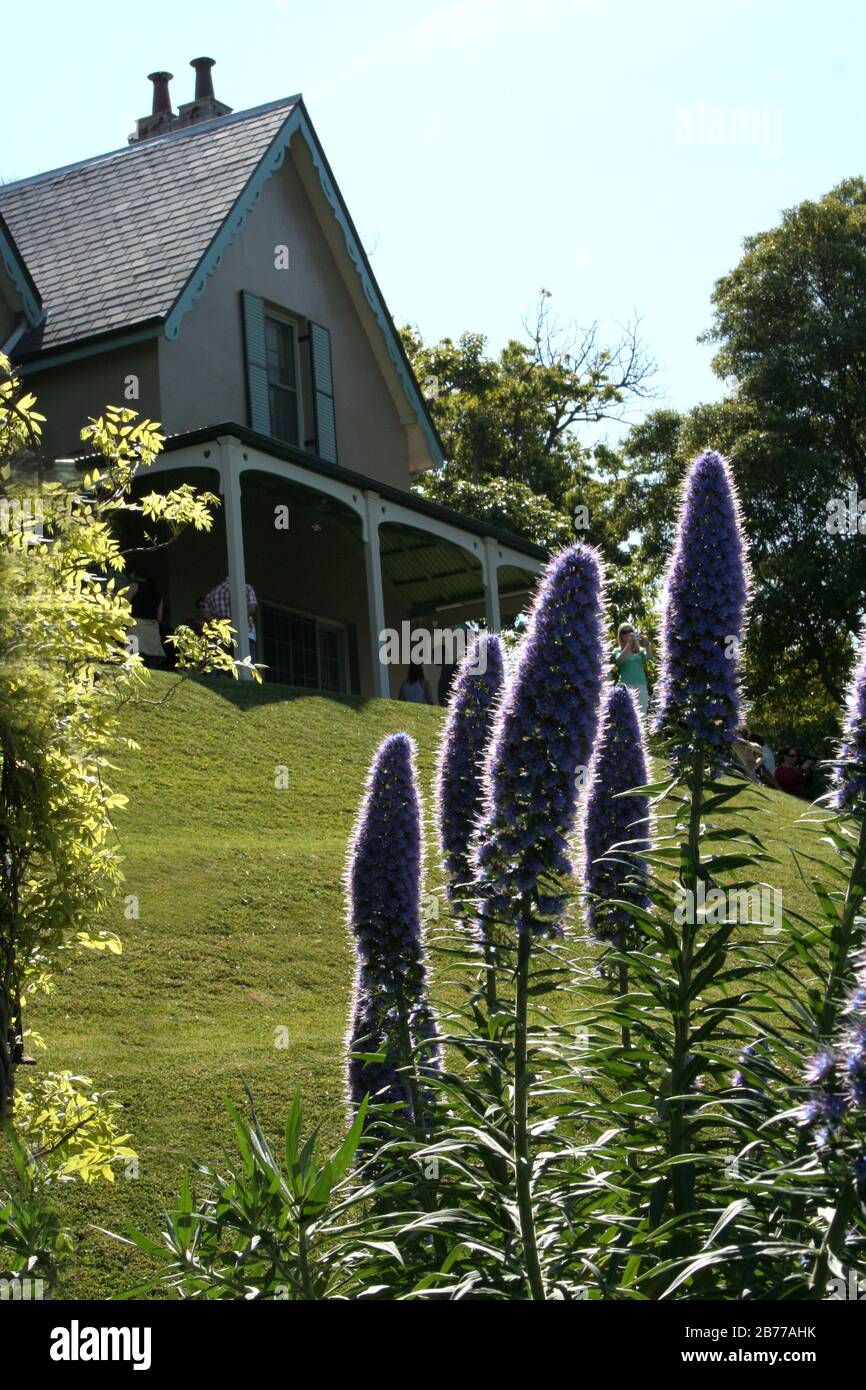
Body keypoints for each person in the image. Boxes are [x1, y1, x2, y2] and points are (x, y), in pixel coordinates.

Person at [204, 574, 258, 659]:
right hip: (244, 633)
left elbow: (207, 615)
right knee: (246, 666)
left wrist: (221, 623)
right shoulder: (246, 588)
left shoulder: (213, 593)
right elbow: (252, 608)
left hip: (223, 635)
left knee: (227, 665)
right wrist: (235, 620)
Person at [124, 568, 165, 669]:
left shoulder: (133, 586)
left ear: (134, 574)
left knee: (131, 664)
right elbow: (159, 618)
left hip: (134, 629)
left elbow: (123, 606)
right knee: (151, 668)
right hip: (152, 633)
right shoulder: (158, 593)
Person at [612, 622, 652, 716]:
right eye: (624, 632)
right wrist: (629, 644)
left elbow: (650, 658)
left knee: (642, 716)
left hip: (640, 686)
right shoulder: (617, 650)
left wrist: (647, 644)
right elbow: (619, 660)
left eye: (630, 631)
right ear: (620, 635)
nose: (627, 633)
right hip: (625, 687)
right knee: (624, 716)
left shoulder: (640, 650)